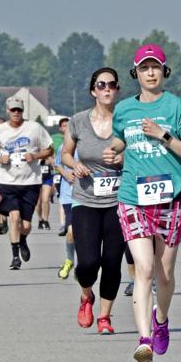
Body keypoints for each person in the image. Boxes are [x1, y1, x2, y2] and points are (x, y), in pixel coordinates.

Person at [102, 44, 181, 362]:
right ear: (136, 73)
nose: (151, 73)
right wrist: (113, 151)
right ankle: (144, 339)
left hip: (171, 198)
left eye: (156, 67)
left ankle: (162, 318)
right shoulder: (125, 110)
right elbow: (121, 138)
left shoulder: (179, 107)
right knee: (143, 268)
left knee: (165, 274)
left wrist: (163, 136)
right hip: (133, 198)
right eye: (144, 68)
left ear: (164, 71)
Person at [62, 67, 128, 335]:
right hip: (86, 200)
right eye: (101, 85)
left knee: (112, 261)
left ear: (117, 89)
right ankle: (86, 295)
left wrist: (123, 160)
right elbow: (66, 153)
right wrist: (74, 165)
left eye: (111, 84)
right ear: (93, 91)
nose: (107, 89)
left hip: (118, 199)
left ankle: (104, 317)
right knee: (88, 263)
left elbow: (138, 153)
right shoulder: (78, 121)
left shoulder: (125, 121)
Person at [0, 96, 53, 270]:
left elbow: (49, 149)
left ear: (23, 111)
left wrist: (35, 156)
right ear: (7, 110)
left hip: (30, 182)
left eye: (19, 110)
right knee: (14, 217)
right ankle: (15, 256)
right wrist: (0, 159)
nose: (16, 113)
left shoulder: (34, 128)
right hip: (8, 181)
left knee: (26, 225)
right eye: (13, 110)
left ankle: (22, 240)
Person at [54, 131, 76, 282]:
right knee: (71, 231)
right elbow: (57, 165)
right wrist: (66, 174)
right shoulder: (63, 146)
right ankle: (69, 260)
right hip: (69, 195)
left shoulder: (89, 146)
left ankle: (84, 265)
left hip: (89, 196)